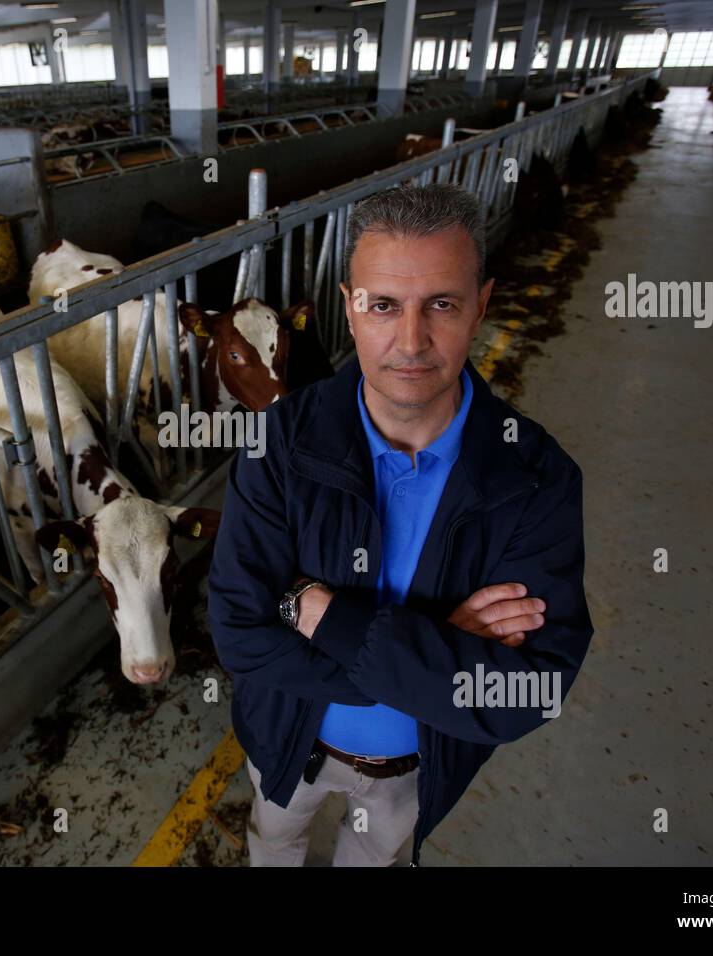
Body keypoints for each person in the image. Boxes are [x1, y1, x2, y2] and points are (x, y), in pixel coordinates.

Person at [207, 182, 594, 866]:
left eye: (441, 304)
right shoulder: (278, 444)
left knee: (374, 858)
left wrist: (318, 612)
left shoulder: (535, 478)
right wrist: (433, 651)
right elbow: (239, 631)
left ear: (481, 307)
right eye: (383, 305)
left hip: (411, 769)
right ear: (349, 312)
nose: (411, 341)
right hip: (286, 739)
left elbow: (526, 690)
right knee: (274, 838)